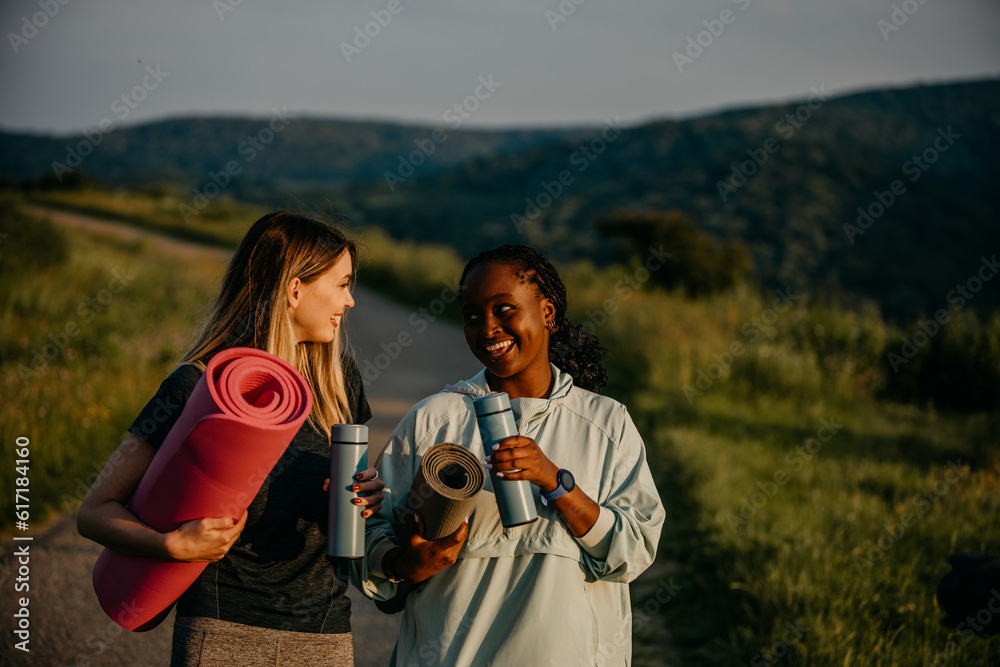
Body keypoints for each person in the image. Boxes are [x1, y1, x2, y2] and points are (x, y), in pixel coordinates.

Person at [77, 211, 384, 666]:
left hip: (324, 636)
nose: (352, 301)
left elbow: (354, 513)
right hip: (222, 635)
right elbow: (94, 512)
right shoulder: (200, 387)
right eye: (342, 284)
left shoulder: (341, 384)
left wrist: (369, 496)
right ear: (295, 289)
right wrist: (173, 546)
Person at [361, 244, 665, 666]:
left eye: (504, 310)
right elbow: (370, 536)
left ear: (548, 312)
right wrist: (405, 562)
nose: (487, 329)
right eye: (472, 316)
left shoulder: (605, 424)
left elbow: (634, 550)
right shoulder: (434, 421)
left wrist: (556, 483)